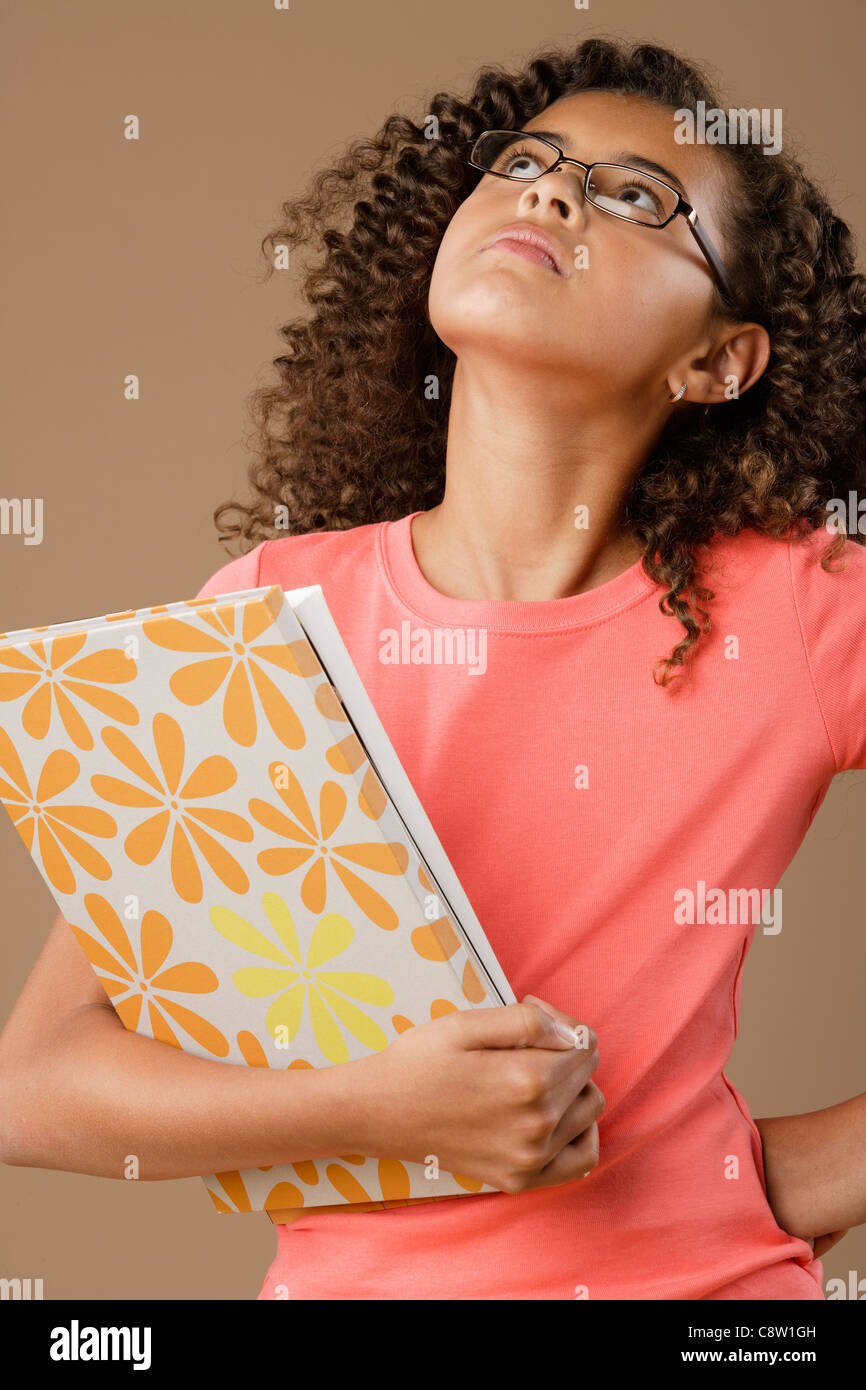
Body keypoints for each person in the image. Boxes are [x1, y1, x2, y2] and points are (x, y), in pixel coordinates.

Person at [2, 37, 864, 1300]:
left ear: (716, 360)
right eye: (524, 161)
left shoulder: (799, 608)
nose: (550, 193)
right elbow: (35, 1083)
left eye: (636, 195)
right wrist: (375, 1108)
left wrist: (765, 1179)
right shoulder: (272, 615)